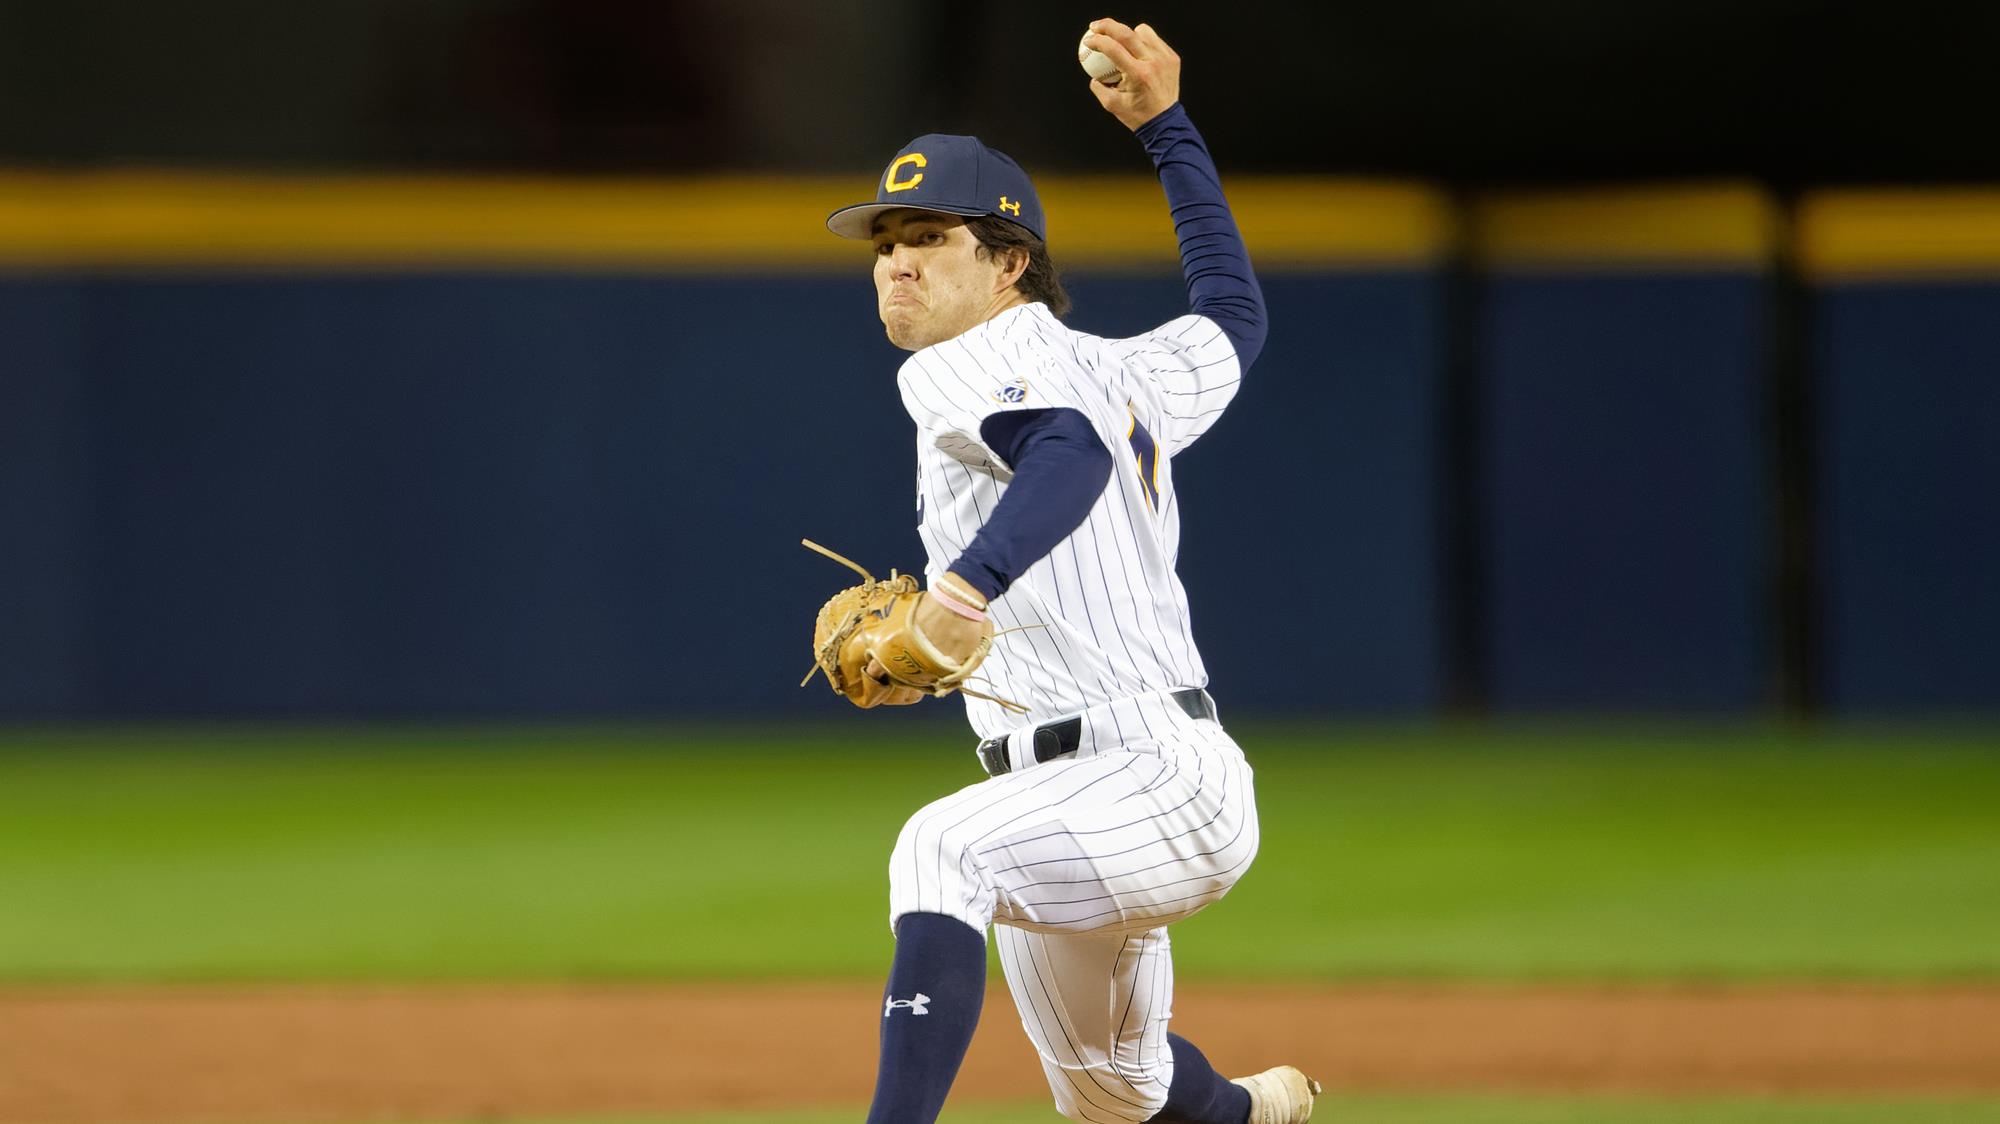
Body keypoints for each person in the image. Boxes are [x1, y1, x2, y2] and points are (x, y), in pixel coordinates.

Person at [822, 17, 1318, 1124]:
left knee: (937, 845)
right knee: (1111, 1092)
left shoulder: (960, 361)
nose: (895, 260)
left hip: (1145, 768)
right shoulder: (1122, 367)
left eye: (928, 236)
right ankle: (1250, 1109)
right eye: (881, 240)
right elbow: (1231, 313)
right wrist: (1167, 130)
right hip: (1091, 787)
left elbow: (1068, 451)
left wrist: (962, 590)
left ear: (1007, 262)